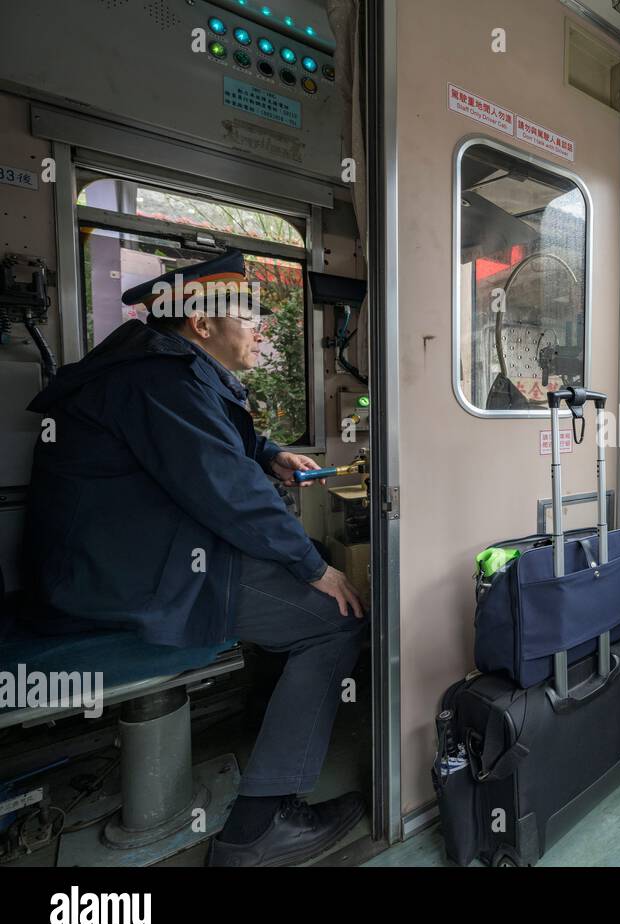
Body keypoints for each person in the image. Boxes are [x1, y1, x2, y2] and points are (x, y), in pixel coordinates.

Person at [21, 250, 367, 866]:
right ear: (202, 325)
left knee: (306, 557)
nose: (260, 326)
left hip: (126, 561)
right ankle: (262, 826)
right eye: (248, 314)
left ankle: (275, 725)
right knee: (336, 618)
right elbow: (228, 494)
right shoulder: (160, 380)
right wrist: (319, 572)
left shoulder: (162, 371)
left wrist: (266, 451)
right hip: (126, 581)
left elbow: (212, 443)